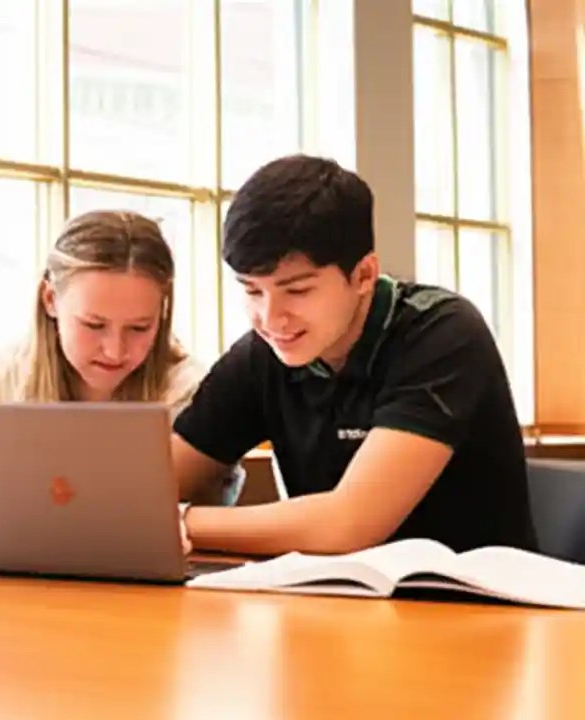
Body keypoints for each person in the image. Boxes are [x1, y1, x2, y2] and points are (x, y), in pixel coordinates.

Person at [173, 154, 537, 555]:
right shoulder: (265, 354)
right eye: (252, 291)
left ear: (363, 275)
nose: (270, 318)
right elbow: (153, 488)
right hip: (337, 602)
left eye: (297, 290)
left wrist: (182, 521)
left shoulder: (443, 333)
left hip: (473, 603)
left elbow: (347, 524)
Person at [0, 209, 233, 532]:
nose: (115, 350)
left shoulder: (190, 389)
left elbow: (175, 515)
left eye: (140, 328)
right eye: (93, 325)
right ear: (50, 300)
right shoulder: (4, 373)